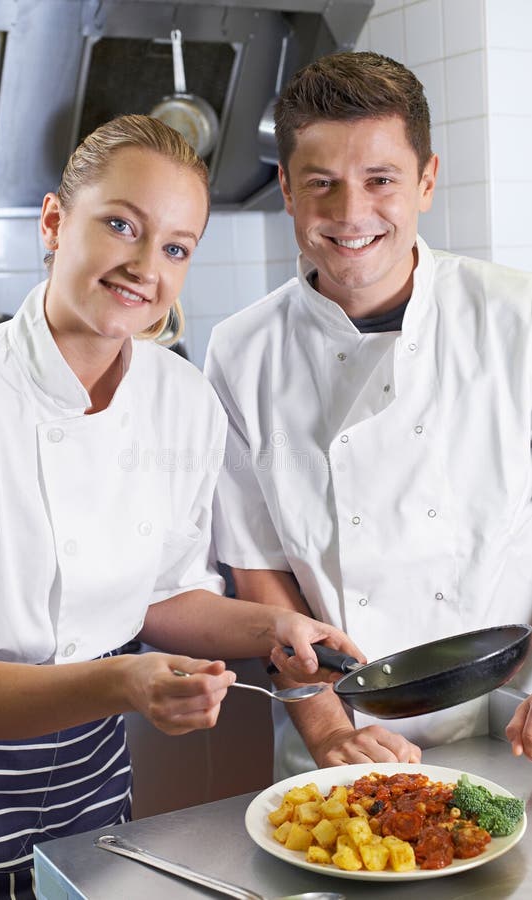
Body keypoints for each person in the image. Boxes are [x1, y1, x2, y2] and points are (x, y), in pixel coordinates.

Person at [0, 114, 362, 899]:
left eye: (174, 247)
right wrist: (125, 684)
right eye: (120, 225)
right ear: (55, 223)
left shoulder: (181, 399)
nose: (142, 266)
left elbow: (166, 593)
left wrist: (275, 628)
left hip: (97, 780)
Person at [204, 51, 532, 781]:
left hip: (514, 714)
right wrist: (326, 731)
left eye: (379, 180)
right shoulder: (241, 352)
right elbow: (258, 565)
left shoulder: (519, 320)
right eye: (320, 184)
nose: (350, 214)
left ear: (426, 180)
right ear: (285, 189)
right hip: (341, 726)